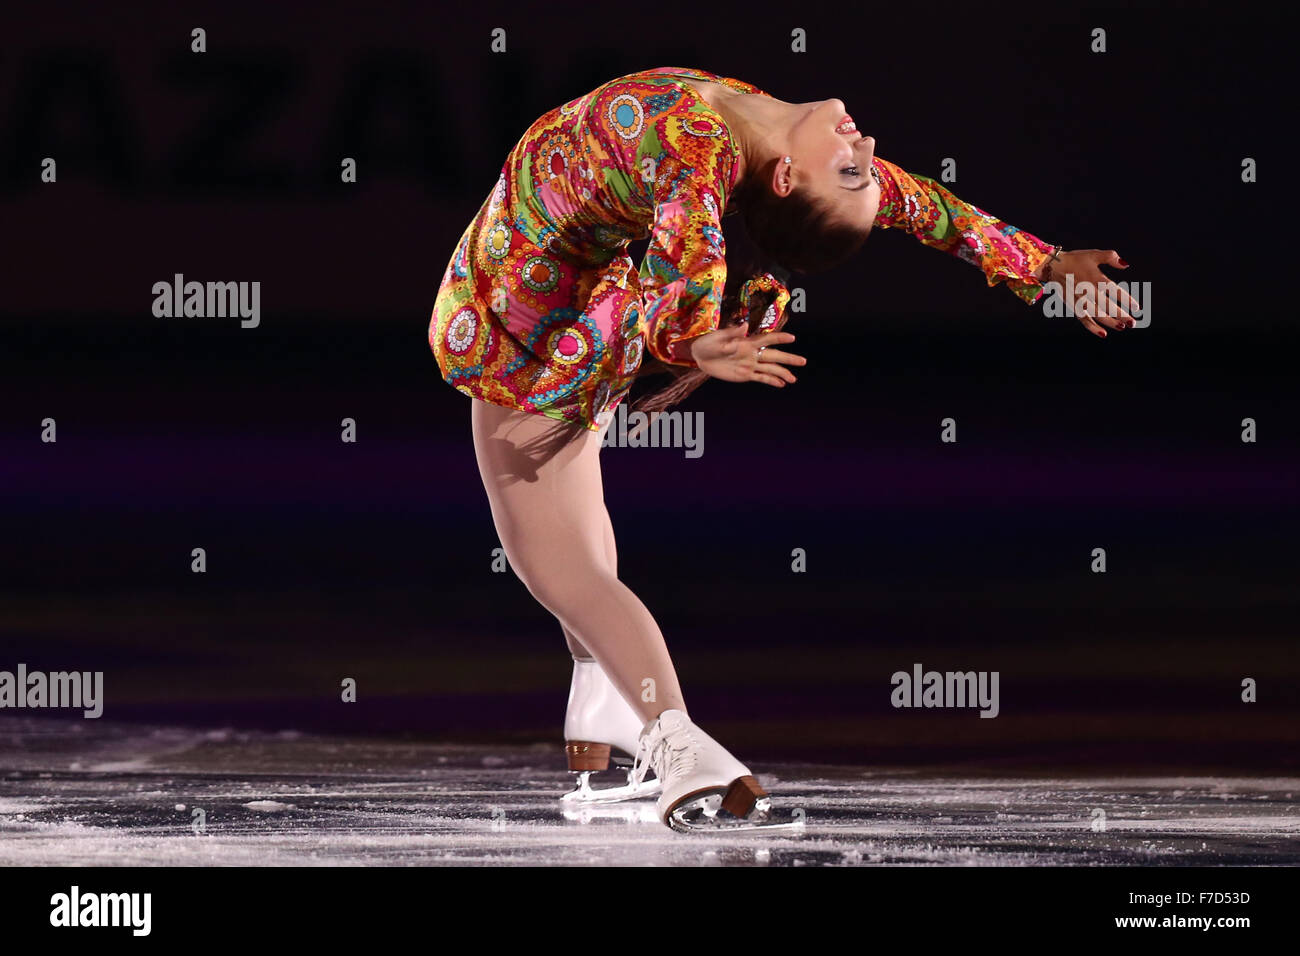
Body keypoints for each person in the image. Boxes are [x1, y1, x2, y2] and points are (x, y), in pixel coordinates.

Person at [429, 66, 1135, 831]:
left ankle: (679, 745)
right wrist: (1044, 265)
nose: (866, 145)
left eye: (853, 167)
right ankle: (605, 711)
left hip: (535, 317)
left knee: (563, 571)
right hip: (580, 288)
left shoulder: (698, 151)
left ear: (792, 177)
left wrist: (694, 343)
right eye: (862, 168)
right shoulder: (769, 135)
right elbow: (925, 206)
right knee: (581, 542)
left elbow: (689, 257)